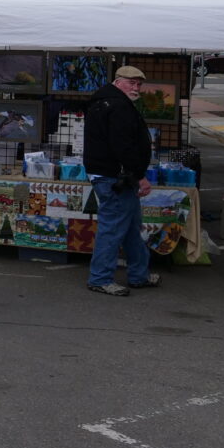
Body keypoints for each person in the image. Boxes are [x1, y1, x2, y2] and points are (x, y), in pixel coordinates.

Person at [84, 65, 159, 296]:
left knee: (129, 227)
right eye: (131, 82)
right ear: (118, 82)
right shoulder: (118, 106)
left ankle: (139, 274)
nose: (136, 87)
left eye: (139, 84)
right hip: (115, 177)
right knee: (114, 228)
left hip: (111, 174)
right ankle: (100, 278)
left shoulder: (104, 102)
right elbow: (123, 146)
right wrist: (139, 175)